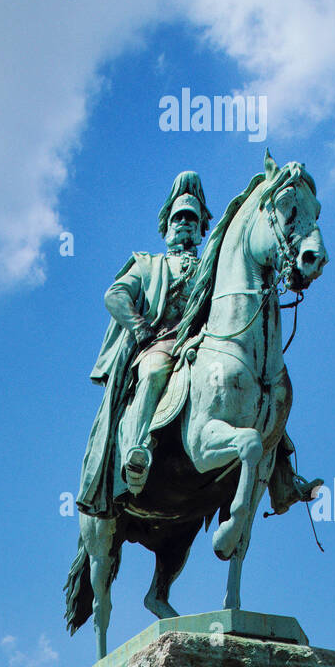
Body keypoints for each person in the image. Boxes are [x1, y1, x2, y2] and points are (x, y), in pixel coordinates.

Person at [77, 171, 212, 517]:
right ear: (167, 226)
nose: (184, 223)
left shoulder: (213, 268)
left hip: (204, 344)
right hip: (161, 341)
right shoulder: (149, 265)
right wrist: (139, 328)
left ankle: (280, 470)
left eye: (191, 218)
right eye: (178, 217)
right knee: (153, 372)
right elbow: (115, 294)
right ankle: (137, 453)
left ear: (200, 229)